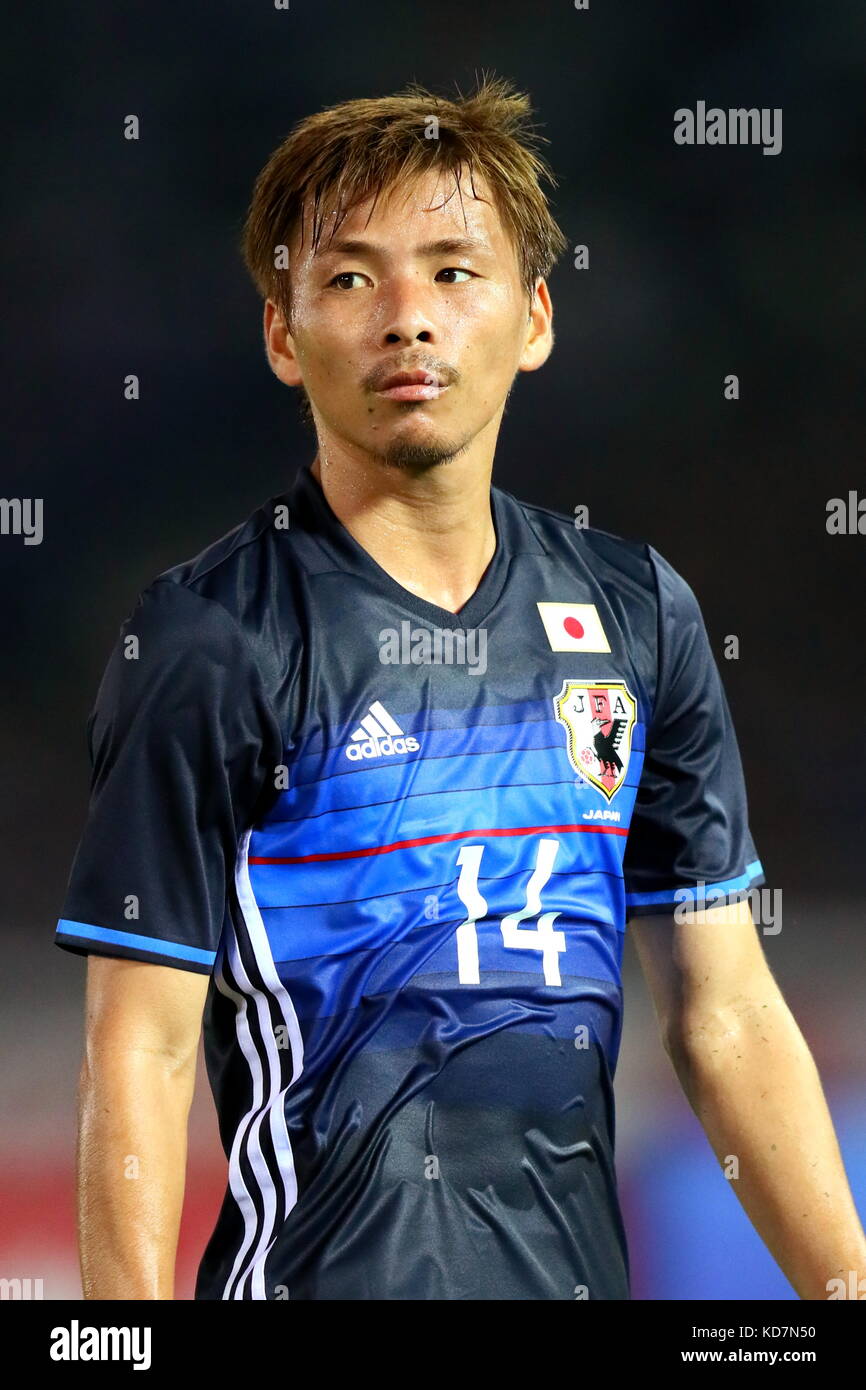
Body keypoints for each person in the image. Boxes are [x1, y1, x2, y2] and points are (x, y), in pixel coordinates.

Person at [55, 75, 866, 1300]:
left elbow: (723, 1012)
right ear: (282, 334)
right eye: (346, 277)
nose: (405, 318)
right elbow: (142, 1048)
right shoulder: (210, 640)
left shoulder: (637, 612)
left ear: (532, 318)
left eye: (451, 269)